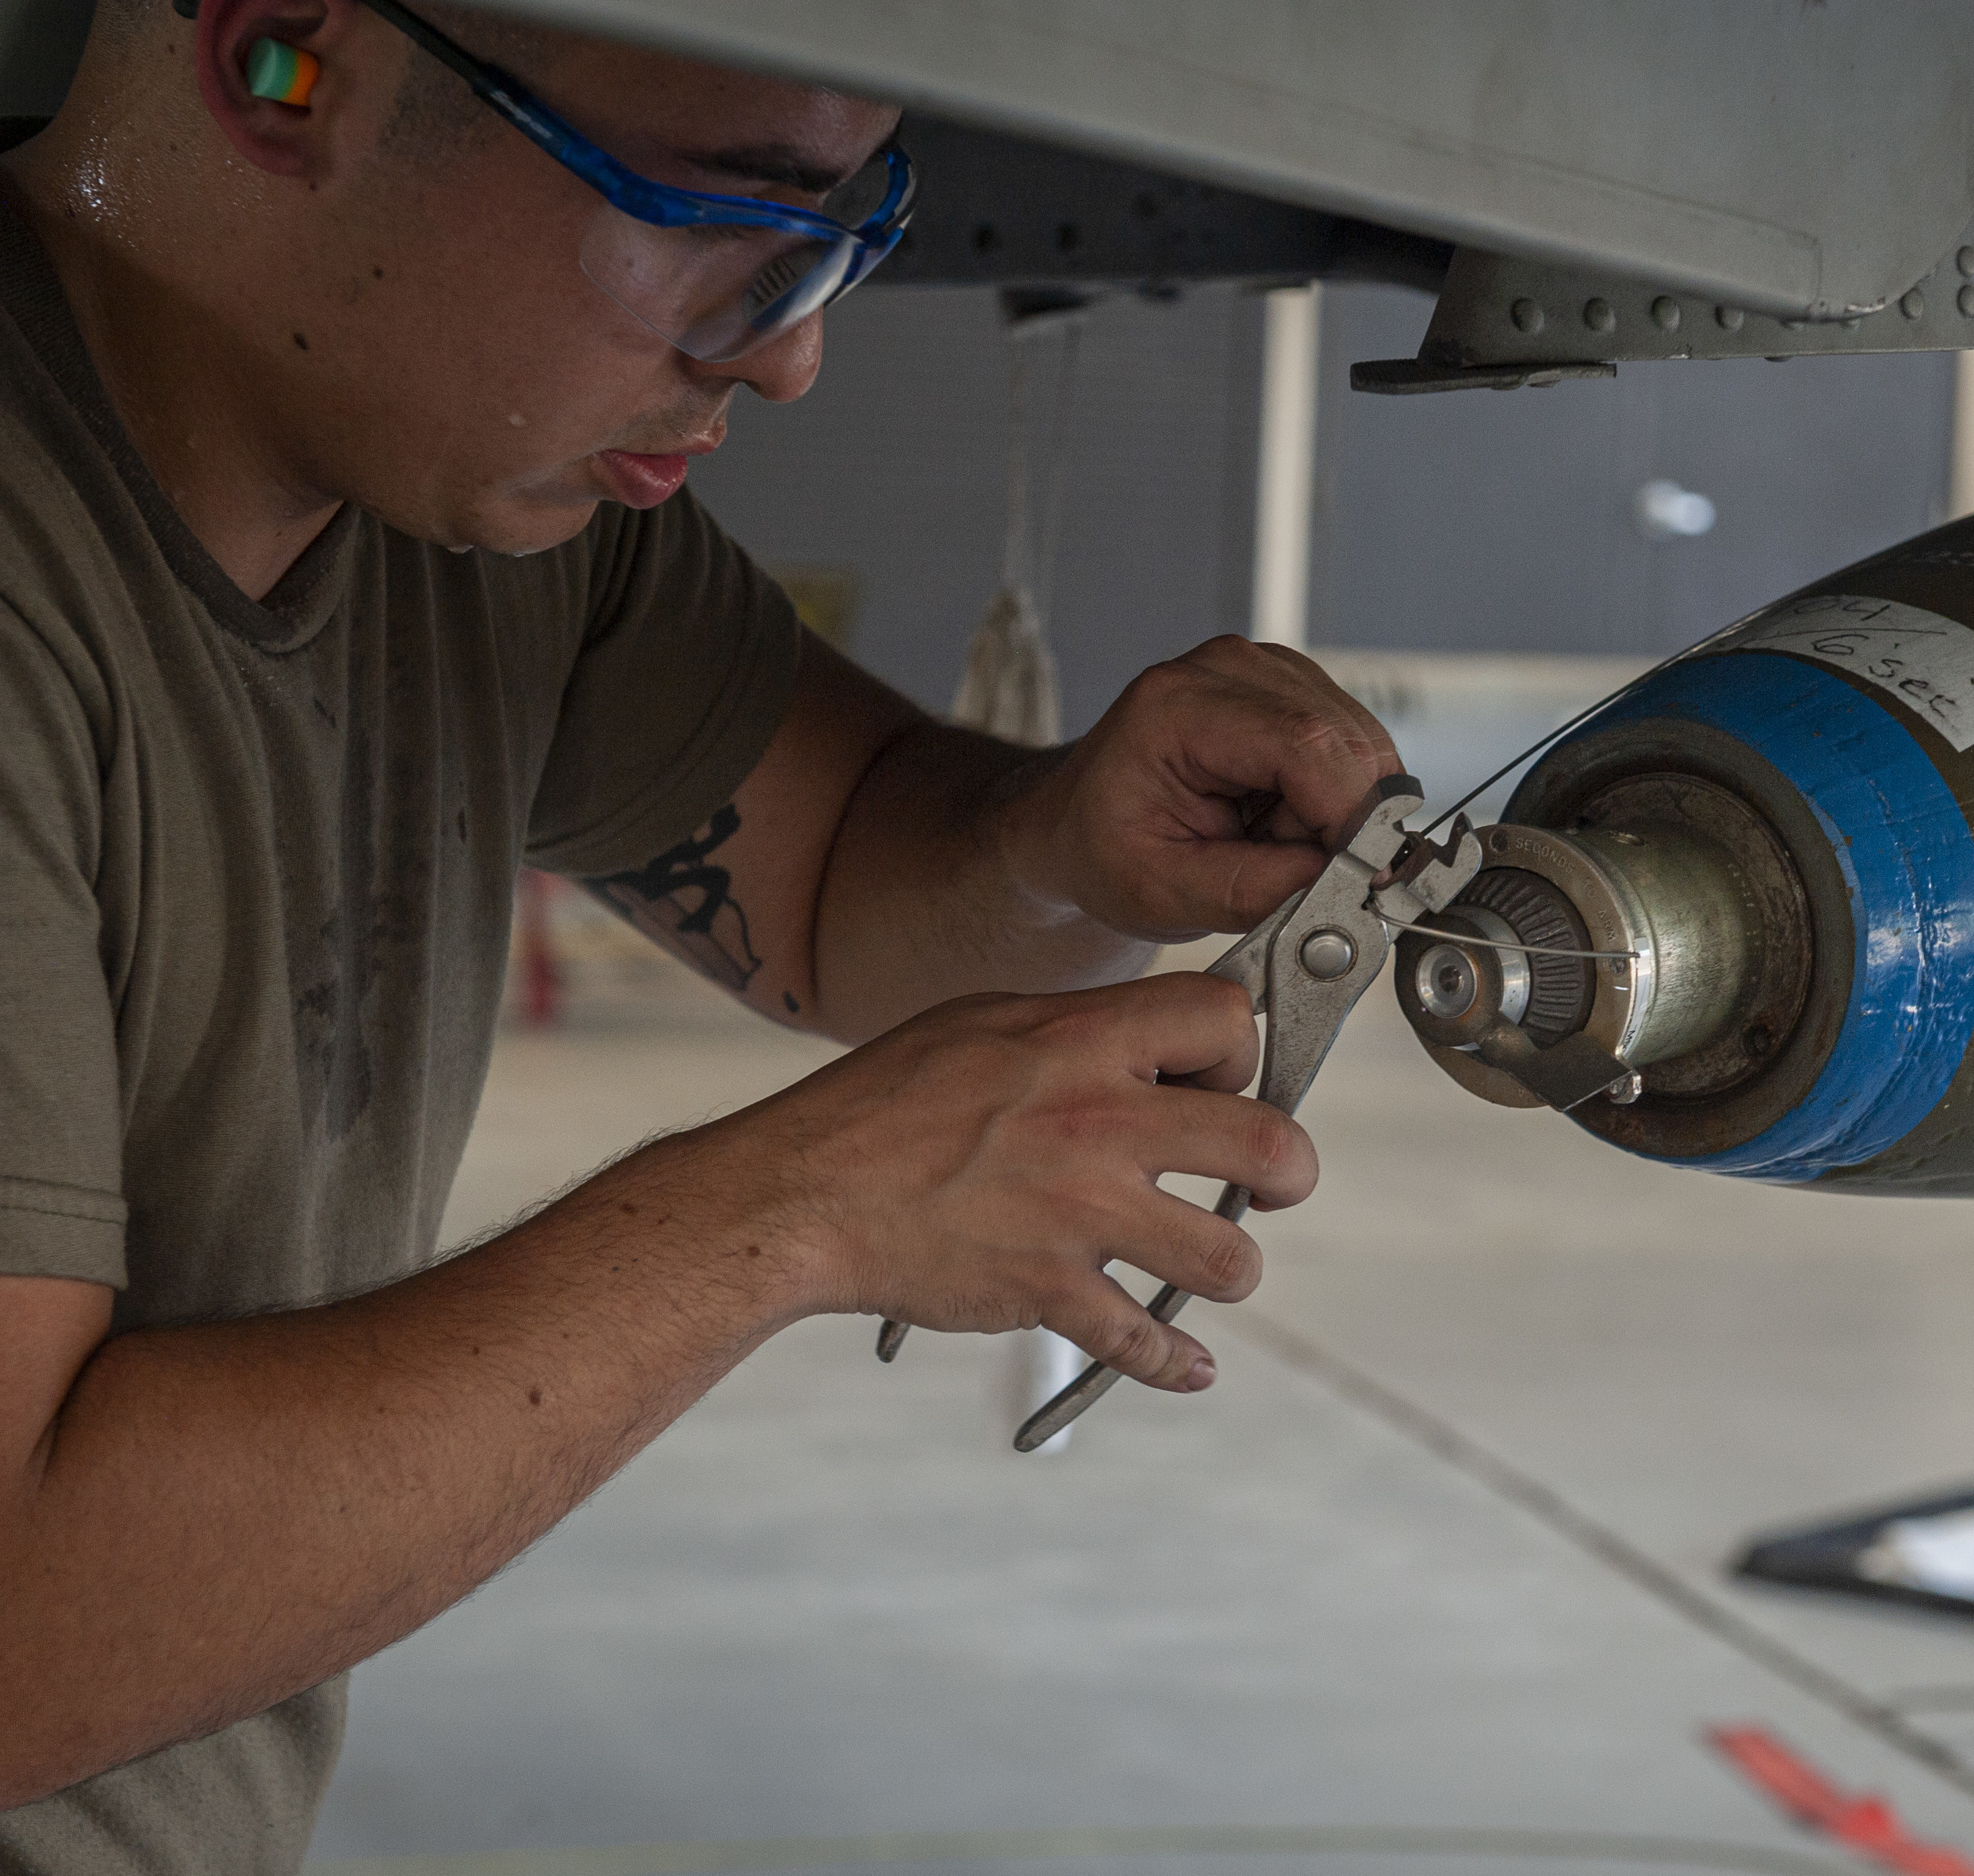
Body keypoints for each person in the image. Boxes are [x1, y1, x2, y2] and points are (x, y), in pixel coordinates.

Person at [0, 1, 1402, 1867]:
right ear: (284, 68)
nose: (797, 352)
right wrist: (790, 1209)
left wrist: (1072, 844)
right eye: (724, 210)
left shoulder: (476, 494)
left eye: (846, 227)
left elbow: (839, 890)